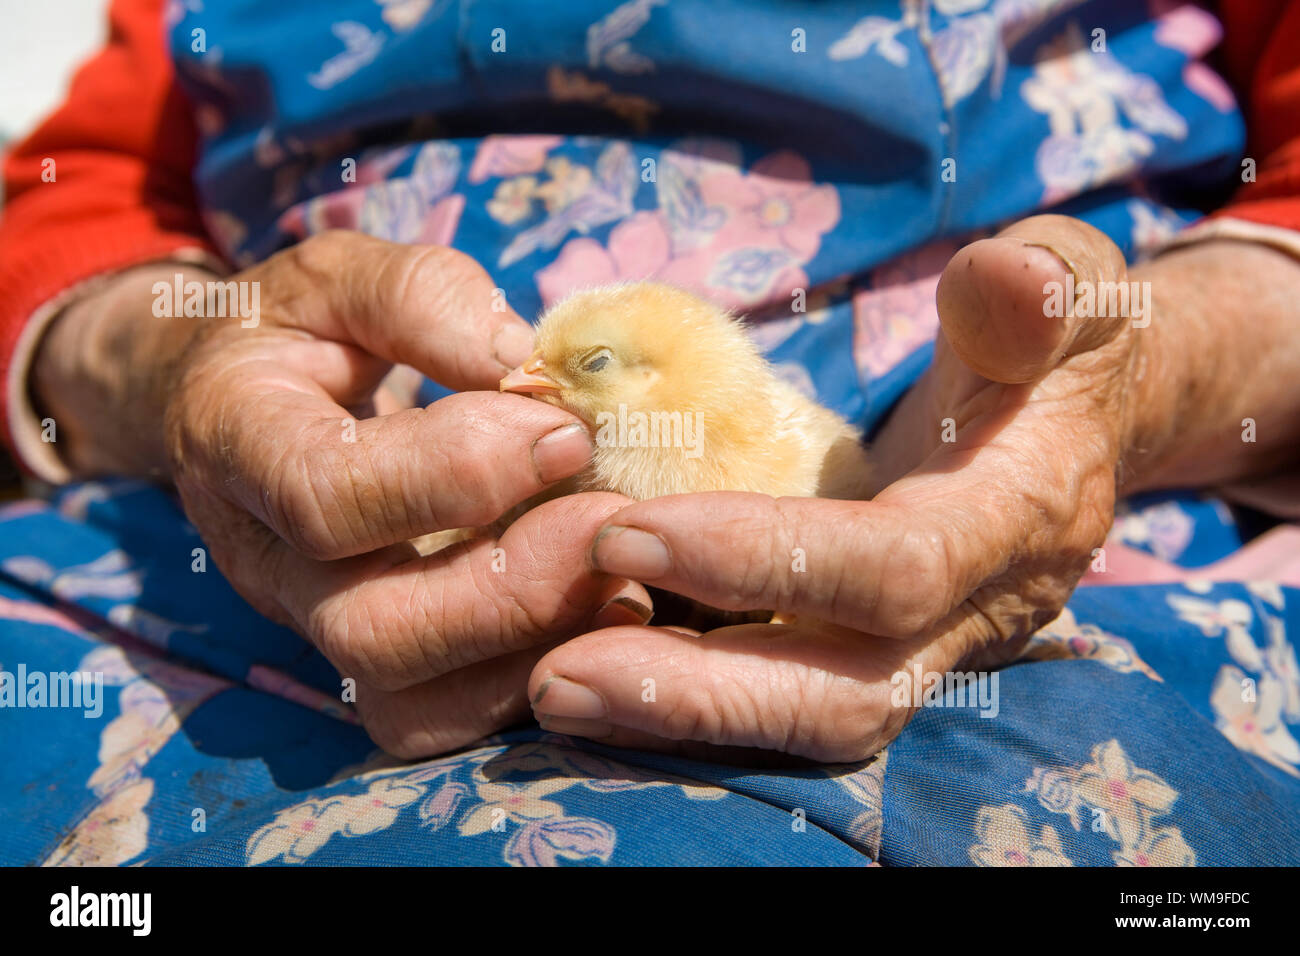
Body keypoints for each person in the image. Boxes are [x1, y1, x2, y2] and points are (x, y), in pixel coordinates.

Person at [1, 0, 1298, 866]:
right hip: (228, 540)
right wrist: (190, 363)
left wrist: (1118, 383)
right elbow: (84, 199)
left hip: (1050, 545)